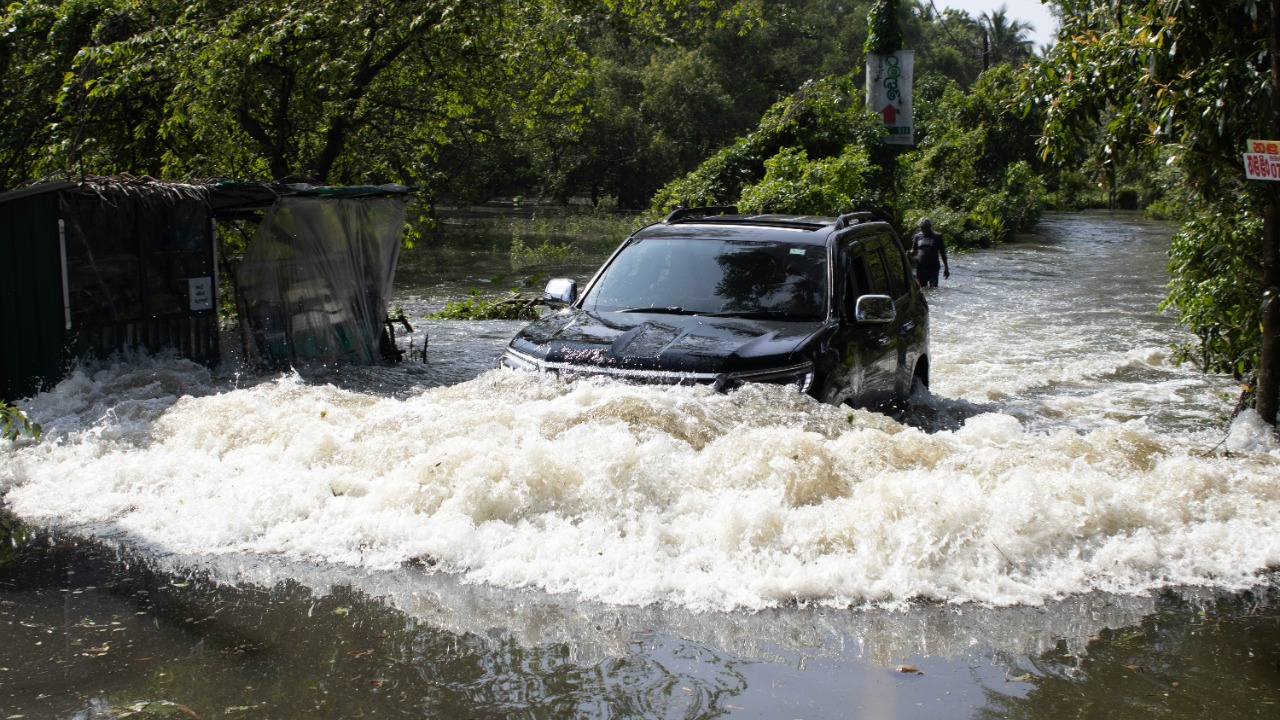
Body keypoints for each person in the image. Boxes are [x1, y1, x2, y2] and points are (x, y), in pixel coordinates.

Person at [910, 217, 949, 288]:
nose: (923, 230)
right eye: (922, 228)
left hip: (933, 267)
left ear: (929, 227)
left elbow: (942, 253)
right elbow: (913, 250)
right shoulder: (917, 236)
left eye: (925, 228)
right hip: (920, 267)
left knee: (933, 288)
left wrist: (946, 268)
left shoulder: (937, 236)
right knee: (922, 289)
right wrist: (909, 253)